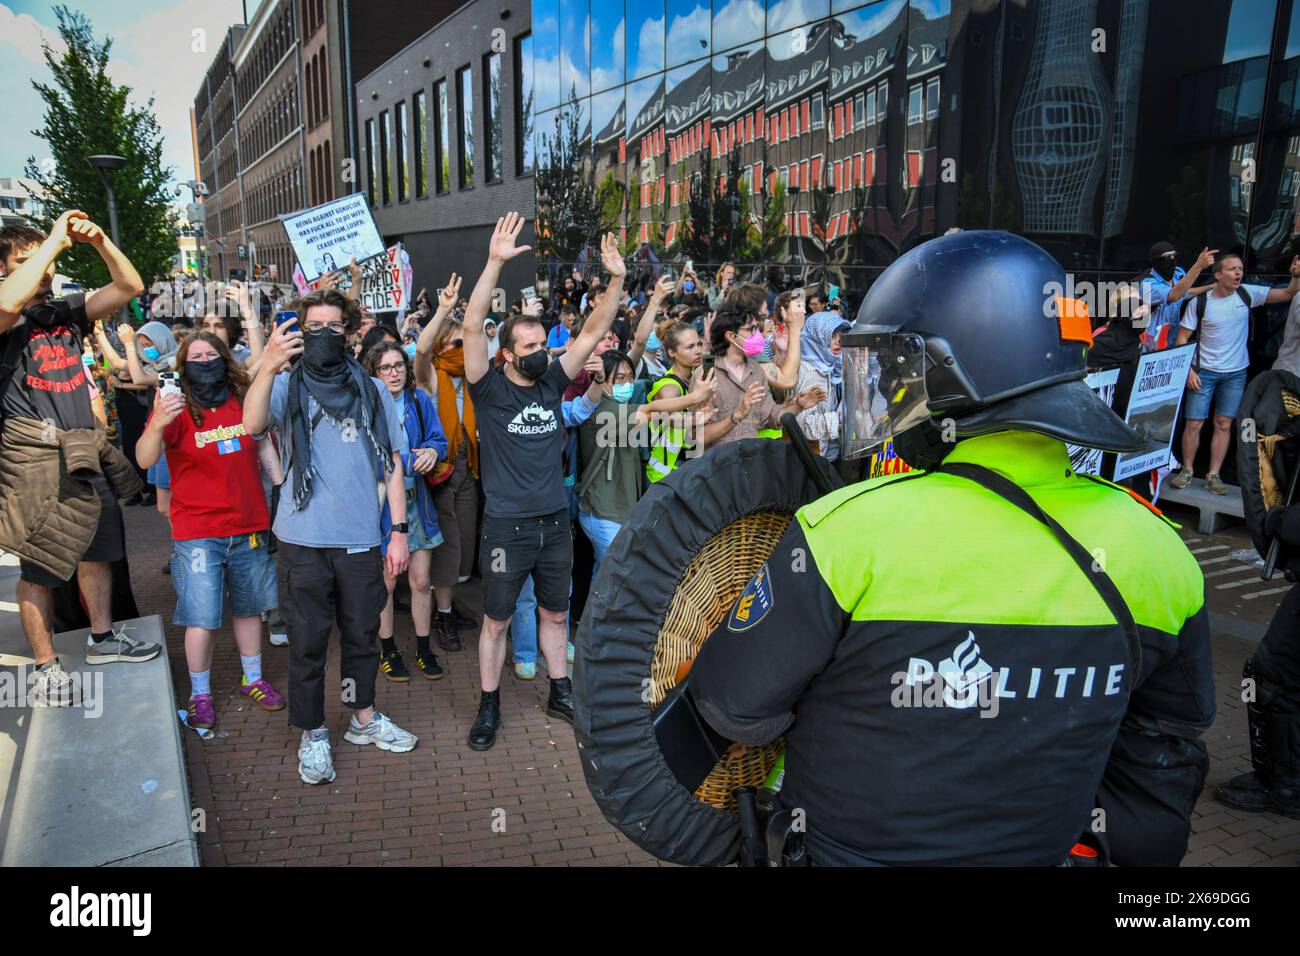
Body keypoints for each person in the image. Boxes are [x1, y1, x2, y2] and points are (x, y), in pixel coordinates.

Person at [686, 230, 1215, 866]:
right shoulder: (1161, 551)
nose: (884, 392)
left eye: (893, 370)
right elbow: (1166, 741)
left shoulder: (845, 533)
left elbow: (731, 706)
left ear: (947, 375)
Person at [461, 213, 625, 750]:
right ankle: (489, 705)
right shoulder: (486, 389)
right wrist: (494, 262)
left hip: (556, 521)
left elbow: (596, 330)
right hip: (506, 526)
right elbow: (470, 324)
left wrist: (618, 280)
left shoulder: (553, 382)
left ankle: (561, 691)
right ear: (507, 353)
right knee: (497, 621)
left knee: (556, 612)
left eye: (542, 344)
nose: (540, 353)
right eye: (528, 347)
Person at [243, 287, 419, 785]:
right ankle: (314, 732)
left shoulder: (372, 390)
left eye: (332, 327)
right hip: (302, 540)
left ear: (350, 331)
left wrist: (399, 532)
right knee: (307, 642)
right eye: (313, 327)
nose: (323, 335)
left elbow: (393, 464)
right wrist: (268, 365)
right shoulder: (286, 385)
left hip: (362, 539)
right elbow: (252, 423)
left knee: (363, 636)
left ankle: (362, 717)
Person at [0, 211, 159, 703]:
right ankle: (47, 665)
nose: (44, 270)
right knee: (41, 568)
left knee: (97, 550)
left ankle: (103, 637)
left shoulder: (66, 312)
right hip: (32, 460)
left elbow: (128, 285)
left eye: (45, 260)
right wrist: (51, 241)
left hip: (82, 451)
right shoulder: (8, 315)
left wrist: (100, 241)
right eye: (27, 262)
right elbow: (9, 299)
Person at [136, 331, 284, 728]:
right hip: (198, 531)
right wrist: (157, 423)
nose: (204, 361)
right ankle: (199, 693)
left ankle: (252, 679)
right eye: (195, 357)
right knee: (202, 616)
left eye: (211, 354)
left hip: (249, 524)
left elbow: (265, 445)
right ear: (183, 366)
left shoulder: (243, 398)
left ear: (224, 359)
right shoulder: (174, 406)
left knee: (251, 607)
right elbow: (144, 456)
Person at [576, 349, 715, 580]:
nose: (628, 383)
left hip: (616, 509)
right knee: (612, 578)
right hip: (603, 512)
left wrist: (697, 418)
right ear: (601, 380)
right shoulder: (603, 412)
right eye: (620, 378)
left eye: (631, 377)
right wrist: (693, 397)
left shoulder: (621, 408)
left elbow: (662, 418)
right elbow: (651, 411)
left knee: (607, 575)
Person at [1168, 253, 1300, 493]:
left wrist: (1295, 276)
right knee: (1194, 423)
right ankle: (1187, 469)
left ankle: (1214, 475)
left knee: (1224, 423)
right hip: (1203, 372)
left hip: (1235, 374)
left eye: (1240, 268)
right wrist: (1188, 371)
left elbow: (1288, 294)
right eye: (1232, 269)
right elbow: (1182, 338)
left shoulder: (1247, 293)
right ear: (1218, 275)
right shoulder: (1201, 302)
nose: (1238, 273)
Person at [365, 341, 449, 682]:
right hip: (382, 506)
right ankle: (388, 650)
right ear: (373, 373)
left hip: (419, 503)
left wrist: (432, 450)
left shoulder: (420, 400)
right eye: (385, 368)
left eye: (399, 365)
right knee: (385, 582)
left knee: (421, 580)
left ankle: (424, 647)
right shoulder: (365, 407)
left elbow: (439, 439)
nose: (394, 373)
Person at [413, 274, 482, 651]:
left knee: (464, 546)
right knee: (447, 545)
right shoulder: (432, 376)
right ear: (444, 345)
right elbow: (421, 352)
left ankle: (448, 604)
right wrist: (441, 311)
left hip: (468, 469)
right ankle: (442, 616)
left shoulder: (471, 377)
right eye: (458, 342)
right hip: (439, 473)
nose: (464, 348)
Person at [701, 283, 822, 448]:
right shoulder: (711, 371)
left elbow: (772, 415)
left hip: (755, 454)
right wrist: (794, 327)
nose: (767, 314)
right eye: (764, 310)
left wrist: (797, 406)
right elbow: (786, 380)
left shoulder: (753, 365)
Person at [793, 302, 852, 464]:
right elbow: (802, 425)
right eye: (832, 336)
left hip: (822, 457)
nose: (838, 341)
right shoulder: (811, 372)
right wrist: (842, 421)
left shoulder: (826, 366)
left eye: (841, 335)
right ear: (816, 338)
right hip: (808, 462)